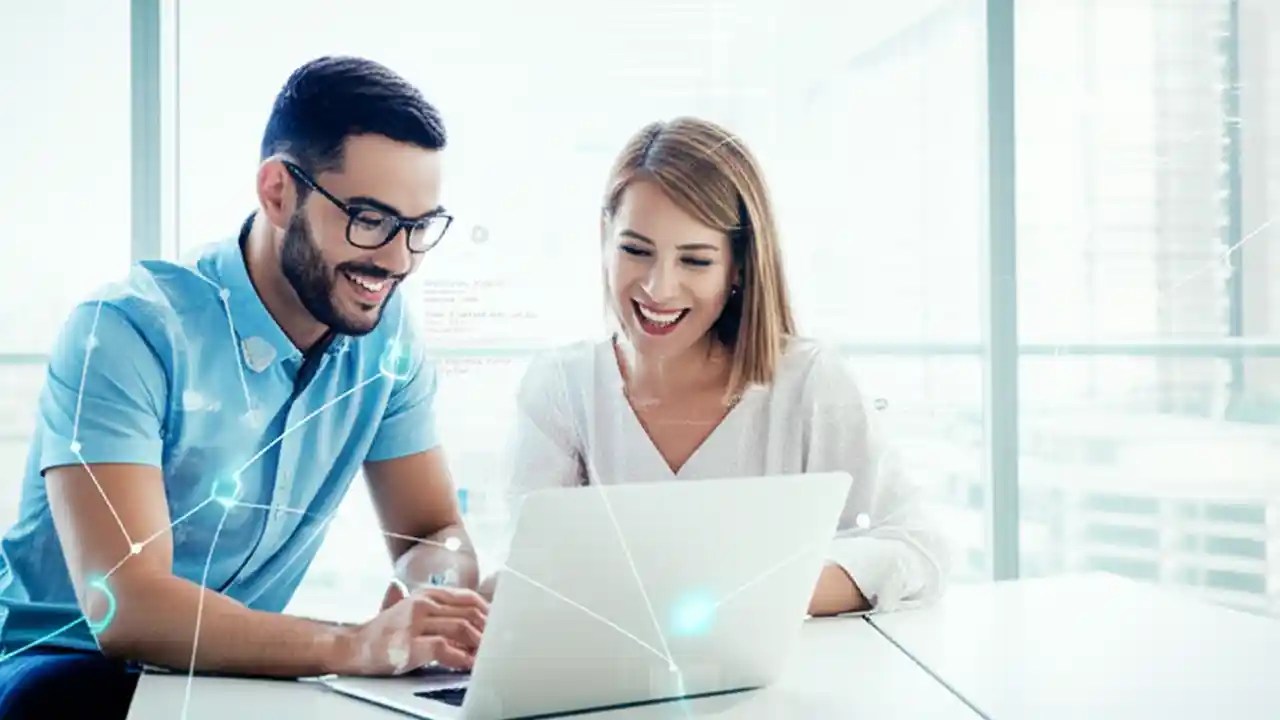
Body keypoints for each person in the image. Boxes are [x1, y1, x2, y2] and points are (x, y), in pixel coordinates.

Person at [0, 56, 487, 718]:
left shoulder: (385, 338)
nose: (398, 260)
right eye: (369, 220)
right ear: (278, 191)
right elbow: (127, 607)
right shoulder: (126, 331)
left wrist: (431, 604)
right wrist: (353, 647)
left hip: (236, 675)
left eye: (418, 228)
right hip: (64, 667)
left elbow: (433, 531)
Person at [504, 117, 947, 617]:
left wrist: (754, 597)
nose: (658, 288)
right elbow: (534, 569)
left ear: (738, 267)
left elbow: (917, 548)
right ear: (605, 238)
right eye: (635, 250)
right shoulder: (561, 386)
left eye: (694, 261)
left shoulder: (809, 383)